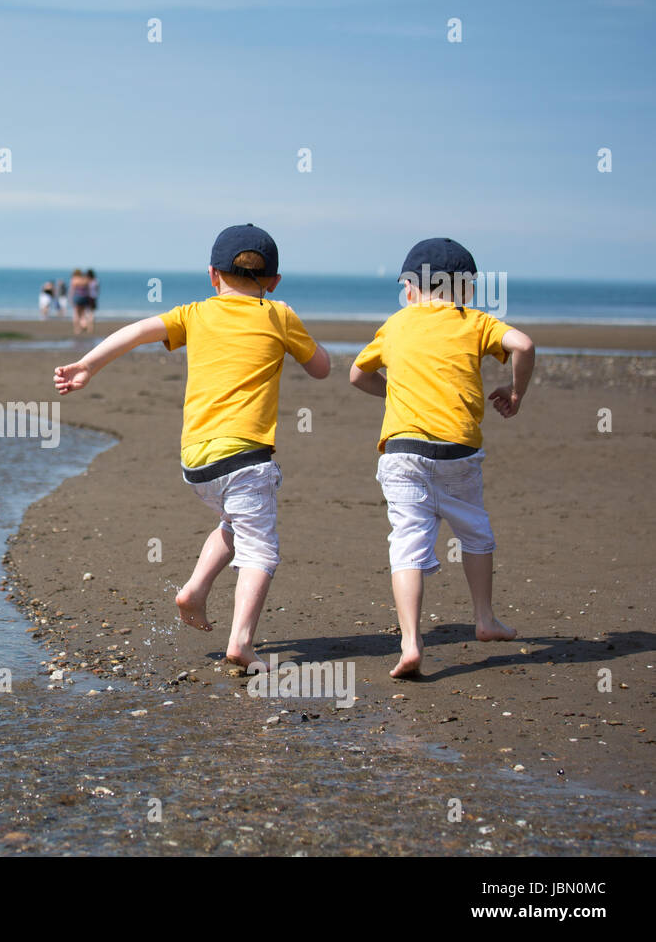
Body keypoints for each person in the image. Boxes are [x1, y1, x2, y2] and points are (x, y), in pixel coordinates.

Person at [53, 224, 330, 668]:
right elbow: (321, 368)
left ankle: (195, 591)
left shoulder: (195, 313)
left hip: (197, 463)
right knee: (260, 547)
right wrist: (290, 324)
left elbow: (136, 332)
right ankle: (240, 640)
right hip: (246, 457)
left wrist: (87, 365)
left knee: (234, 521)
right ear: (274, 281)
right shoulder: (280, 316)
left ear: (212, 275)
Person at [349, 237, 534, 678]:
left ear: (410, 289)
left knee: (408, 542)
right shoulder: (474, 321)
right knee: (475, 532)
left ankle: (411, 642)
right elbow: (523, 345)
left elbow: (358, 373)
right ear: (467, 291)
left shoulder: (395, 324)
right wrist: (515, 392)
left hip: (402, 452)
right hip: (458, 452)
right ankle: (485, 618)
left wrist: (394, 393)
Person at [69, 269, 89, 334]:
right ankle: (84, 324)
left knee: (76, 313)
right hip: (84, 297)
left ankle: (77, 329)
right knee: (83, 313)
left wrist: (71, 299)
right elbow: (88, 290)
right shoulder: (85, 279)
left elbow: (72, 290)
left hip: (77, 297)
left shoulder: (74, 279)